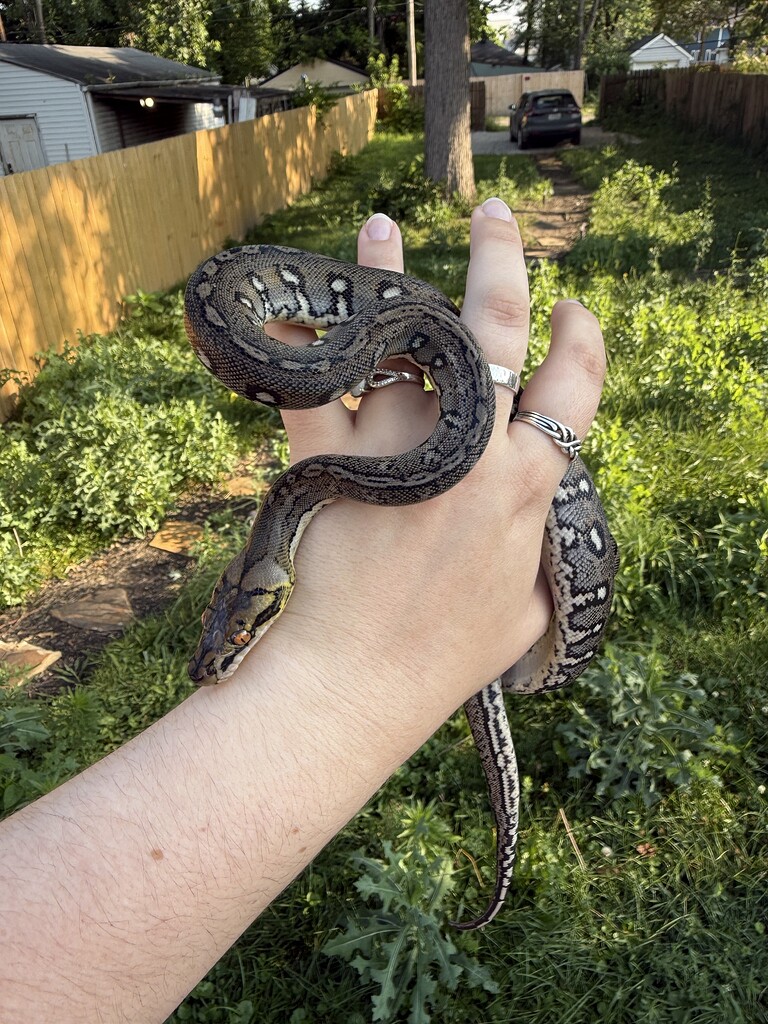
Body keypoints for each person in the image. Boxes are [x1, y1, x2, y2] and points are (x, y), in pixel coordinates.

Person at [0, 199, 605, 1023]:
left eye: (241, 625)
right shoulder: (312, 482)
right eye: (242, 632)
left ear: (256, 587)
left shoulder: (306, 491)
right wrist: (351, 676)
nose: (235, 641)